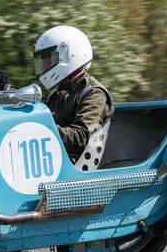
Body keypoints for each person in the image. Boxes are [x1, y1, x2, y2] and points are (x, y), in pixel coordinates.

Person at [32, 25, 114, 167]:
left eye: (49, 60)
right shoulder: (57, 94)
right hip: (51, 161)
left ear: (69, 55)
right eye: (43, 61)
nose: (45, 66)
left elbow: (81, 138)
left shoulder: (94, 93)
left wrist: (41, 128)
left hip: (74, 168)